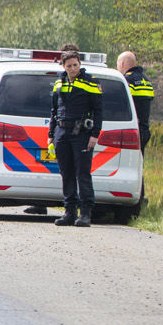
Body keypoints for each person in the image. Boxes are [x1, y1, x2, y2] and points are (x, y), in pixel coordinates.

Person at [48, 50, 103, 227]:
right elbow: (54, 111)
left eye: (75, 65)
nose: (73, 69)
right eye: (69, 66)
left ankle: (85, 213)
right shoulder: (59, 82)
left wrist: (95, 134)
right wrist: (51, 134)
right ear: (64, 66)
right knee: (67, 173)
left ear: (79, 64)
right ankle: (69, 212)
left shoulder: (90, 82)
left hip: (82, 134)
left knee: (82, 174)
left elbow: (99, 110)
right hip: (62, 132)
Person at [26, 43, 79, 216]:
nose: (70, 66)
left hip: (67, 130)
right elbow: (55, 107)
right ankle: (44, 204)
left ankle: (64, 207)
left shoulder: (79, 80)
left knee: (73, 174)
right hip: (59, 130)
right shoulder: (60, 80)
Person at [118, 51, 155, 150]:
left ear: (121, 64)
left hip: (131, 130)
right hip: (144, 130)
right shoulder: (146, 80)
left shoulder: (127, 80)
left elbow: (121, 103)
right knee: (138, 162)